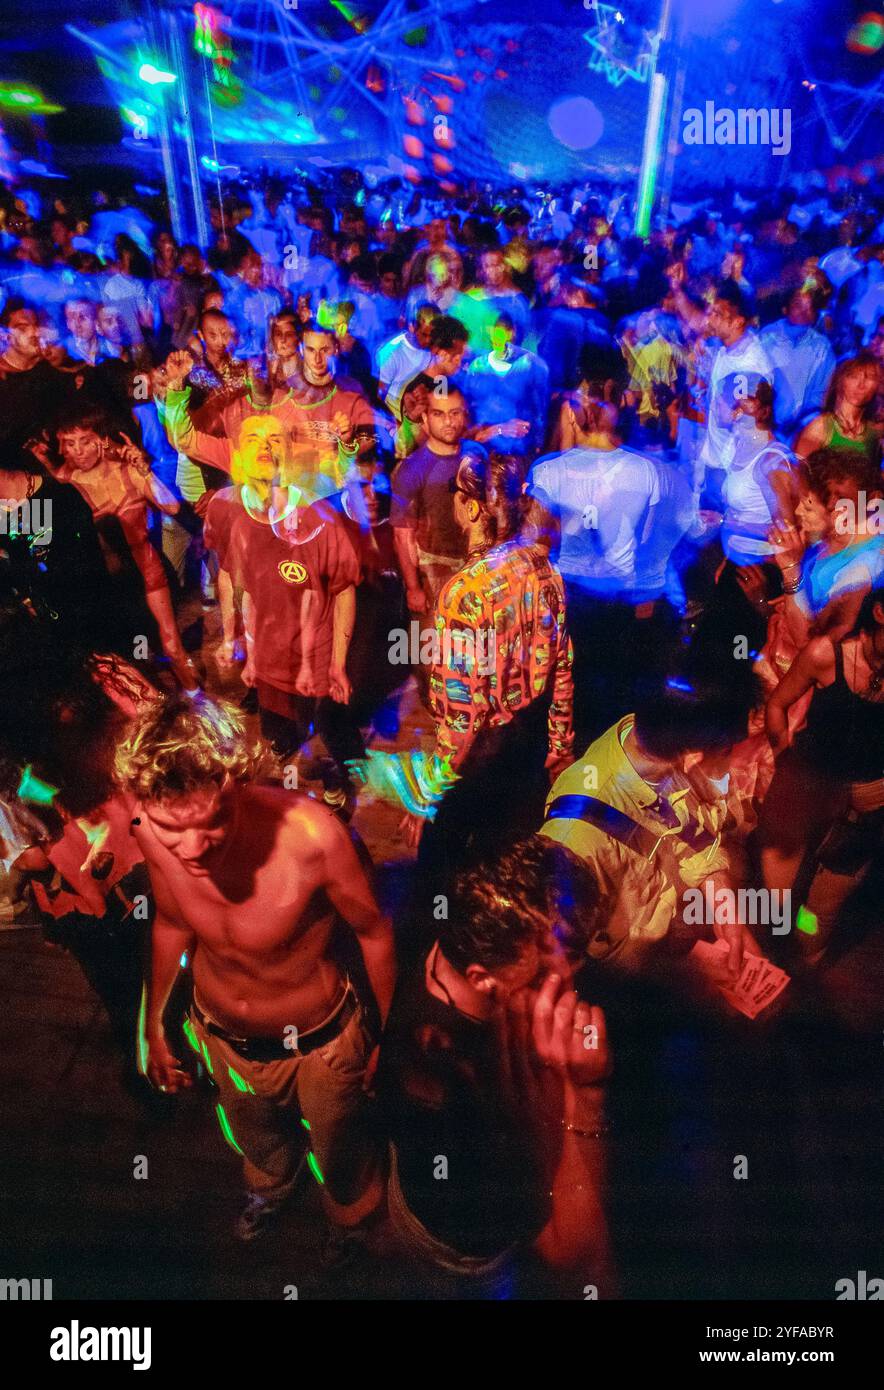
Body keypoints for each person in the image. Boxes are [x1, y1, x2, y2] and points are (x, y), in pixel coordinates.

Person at [115, 693, 396, 1241]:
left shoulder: (314, 839)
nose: (192, 849)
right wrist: (153, 1023)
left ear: (235, 782)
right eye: (174, 830)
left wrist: (389, 1035)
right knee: (259, 1144)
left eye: (212, 821)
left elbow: (375, 933)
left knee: (342, 1157)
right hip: (221, 1038)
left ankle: (350, 1223)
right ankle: (271, 1189)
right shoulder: (148, 828)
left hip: (322, 1046)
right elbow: (171, 924)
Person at [378, 835, 613, 1295]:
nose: (568, 984)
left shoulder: (461, 934)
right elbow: (569, 1251)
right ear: (481, 979)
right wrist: (586, 1092)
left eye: (576, 955)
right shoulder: (453, 1083)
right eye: (543, 977)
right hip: (465, 1256)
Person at [399, 453, 574, 883]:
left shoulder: (464, 593)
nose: (454, 503)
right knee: (505, 868)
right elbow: (563, 665)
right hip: (527, 748)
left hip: (476, 760)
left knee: (442, 874)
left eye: (457, 495)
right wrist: (559, 744)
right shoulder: (544, 568)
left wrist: (427, 796)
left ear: (473, 508)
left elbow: (464, 717)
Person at [541, 646, 761, 981]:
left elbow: (695, 838)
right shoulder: (575, 836)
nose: (735, 767)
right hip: (642, 985)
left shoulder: (653, 739)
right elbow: (591, 955)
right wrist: (692, 972)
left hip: (679, 929)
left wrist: (725, 911)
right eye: (729, 751)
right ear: (693, 757)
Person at [202, 411, 363, 811]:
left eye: (275, 440)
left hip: (318, 659)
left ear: (289, 456)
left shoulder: (317, 520)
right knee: (279, 736)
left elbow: (343, 592)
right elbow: (230, 578)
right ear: (238, 453)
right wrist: (232, 639)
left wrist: (338, 665)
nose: (265, 447)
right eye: (253, 438)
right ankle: (291, 795)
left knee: (329, 736)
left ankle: (337, 787)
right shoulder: (227, 513)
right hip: (270, 659)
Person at [761, 587, 884, 963]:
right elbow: (778, 705)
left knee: (816, 920)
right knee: (775, 907)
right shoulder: (825, 655)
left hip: (860, 814)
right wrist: (785, 761)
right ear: (880, 613)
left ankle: (802, 976)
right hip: (804, 794)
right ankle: (766, 974)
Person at [390, 385, 474, 700]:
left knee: (471, 653)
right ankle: (436, 715)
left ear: (464, 416)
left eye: (454, 413)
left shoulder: (475, 458)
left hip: (471, 571)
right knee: (431, 657)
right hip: (431, 572)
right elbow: (402, 533)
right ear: (425, 419)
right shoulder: (412, 469)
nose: (448, 421)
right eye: (439, 414)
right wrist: (413, 586)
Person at [768, 448, 884, 650]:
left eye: (808, 506)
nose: (798, 511)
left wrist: (790, 570)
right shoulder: (833, 537)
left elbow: (809, 643)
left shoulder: (860, 573)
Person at [698, 279, 774, 502]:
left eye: (718, 315)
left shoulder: (750, 365)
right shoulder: (726, 348)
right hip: (714, 458)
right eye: (711, 312)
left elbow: (742, 418)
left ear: (738, 322)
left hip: (729, 465)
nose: (710, 319)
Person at [464, 312, 550, 458]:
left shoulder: (533, 366)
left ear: (512, 333)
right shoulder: (477, 367)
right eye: (493, 335)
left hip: (518, 450)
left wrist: (538, 443)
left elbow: (540, 410)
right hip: (483, 449)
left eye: (502, 334)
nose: (496, 340)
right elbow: (467, 408)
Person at [760, 285, 835, 437]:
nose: (805, 311)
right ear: (785, 309)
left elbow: (822, 393)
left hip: (799, 430)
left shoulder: (822, 347)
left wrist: (800, 422)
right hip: (761, 424)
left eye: (810, 307)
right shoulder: (767, 337)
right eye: (798, 305)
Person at [794, 351, 882, 465]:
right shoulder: (820, 427)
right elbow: (798, 472)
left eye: (869, 378)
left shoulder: (874, 431)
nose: (861, 385)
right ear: (841, 380)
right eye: (853, 376)